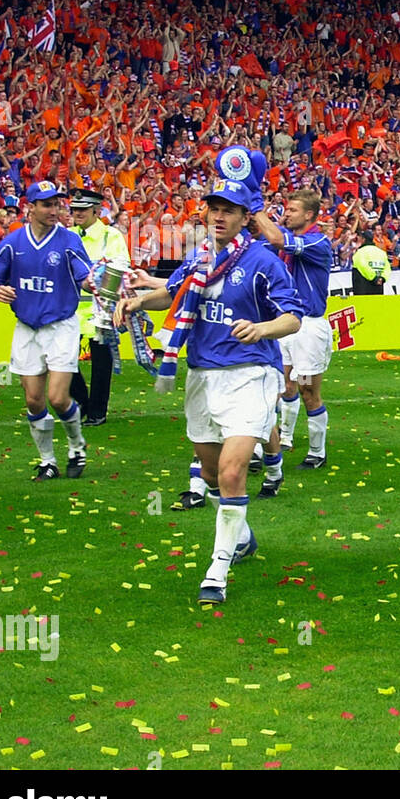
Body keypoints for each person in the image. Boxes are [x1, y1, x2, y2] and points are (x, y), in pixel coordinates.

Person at [113, 178, 302, 605]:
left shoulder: (263, 262)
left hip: (251, 374)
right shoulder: (198, 258)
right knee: (214, 474)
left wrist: (261, 329)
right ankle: (243, 536)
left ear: (243, 218)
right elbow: (171, 294)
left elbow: (292, 318)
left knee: (234, 472)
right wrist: (139, 302)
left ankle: (217, 570)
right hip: (202, 375)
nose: (219, 216)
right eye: (214, 208)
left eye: (229, 210)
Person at [0, 181, 94, 480]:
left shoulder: (68, 241)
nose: (54, 210)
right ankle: (47, 461)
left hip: (61, 326)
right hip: (27, 327)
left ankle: (76, 447)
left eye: (56, 204)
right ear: (31, 207)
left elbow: (84, 275)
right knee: (33, 400)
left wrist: (94, 283)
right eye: (46, 204)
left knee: (57, 397)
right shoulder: (14, 242)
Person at [252, 188, 334, 471]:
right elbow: (260, 243)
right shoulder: (286, 240)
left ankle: (317, 452)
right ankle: (284, 438)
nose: (286, 213)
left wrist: (256, 209)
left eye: (293, 210)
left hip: (308, 325)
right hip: (282, 323)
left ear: (309, 215)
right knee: (283, 387)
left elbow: (276, 238)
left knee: (309, 391)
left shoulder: (317, 241)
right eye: (286, 209)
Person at [67, 188, 131, 427]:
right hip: (71, 308)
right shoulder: (68, 234)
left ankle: (97, 412)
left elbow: (120, 267)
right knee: (64, 359)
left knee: (101, 364)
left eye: (83, 209)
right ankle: (83, 401)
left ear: (96, 210)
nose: (78, 213)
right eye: (75, 209)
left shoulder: (110, 236)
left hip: (100, 308)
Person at [351, 230, 388, 294]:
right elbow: (387, 268)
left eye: (359, 238)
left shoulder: (360, 252)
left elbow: (363, 266)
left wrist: (374, 278)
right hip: (379, 286)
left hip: (363, 288)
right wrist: (382, 278)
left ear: (363, 239)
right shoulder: (382, 252)